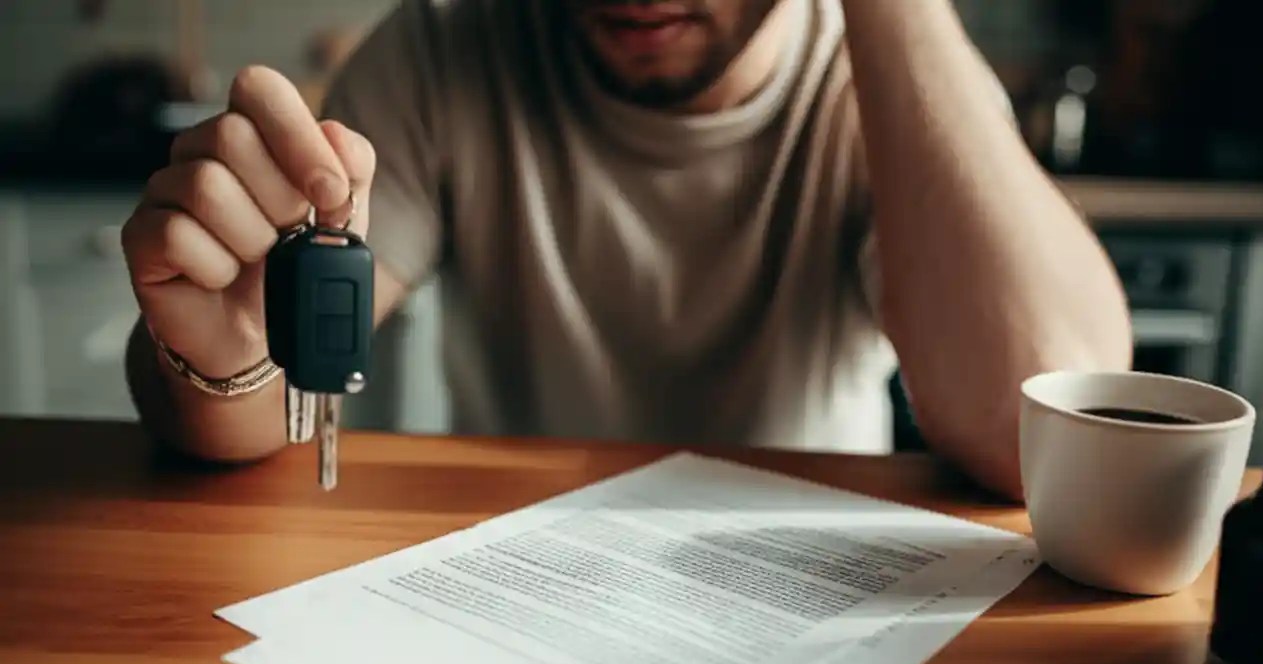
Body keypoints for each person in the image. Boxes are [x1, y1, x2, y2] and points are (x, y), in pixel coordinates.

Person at [121, 0, 1132, 501]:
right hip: (502, 590)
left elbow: (1031, 428)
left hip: (813, 595)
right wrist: (221, 349)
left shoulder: (890, 79)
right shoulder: (444, 48)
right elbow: (238, 416)